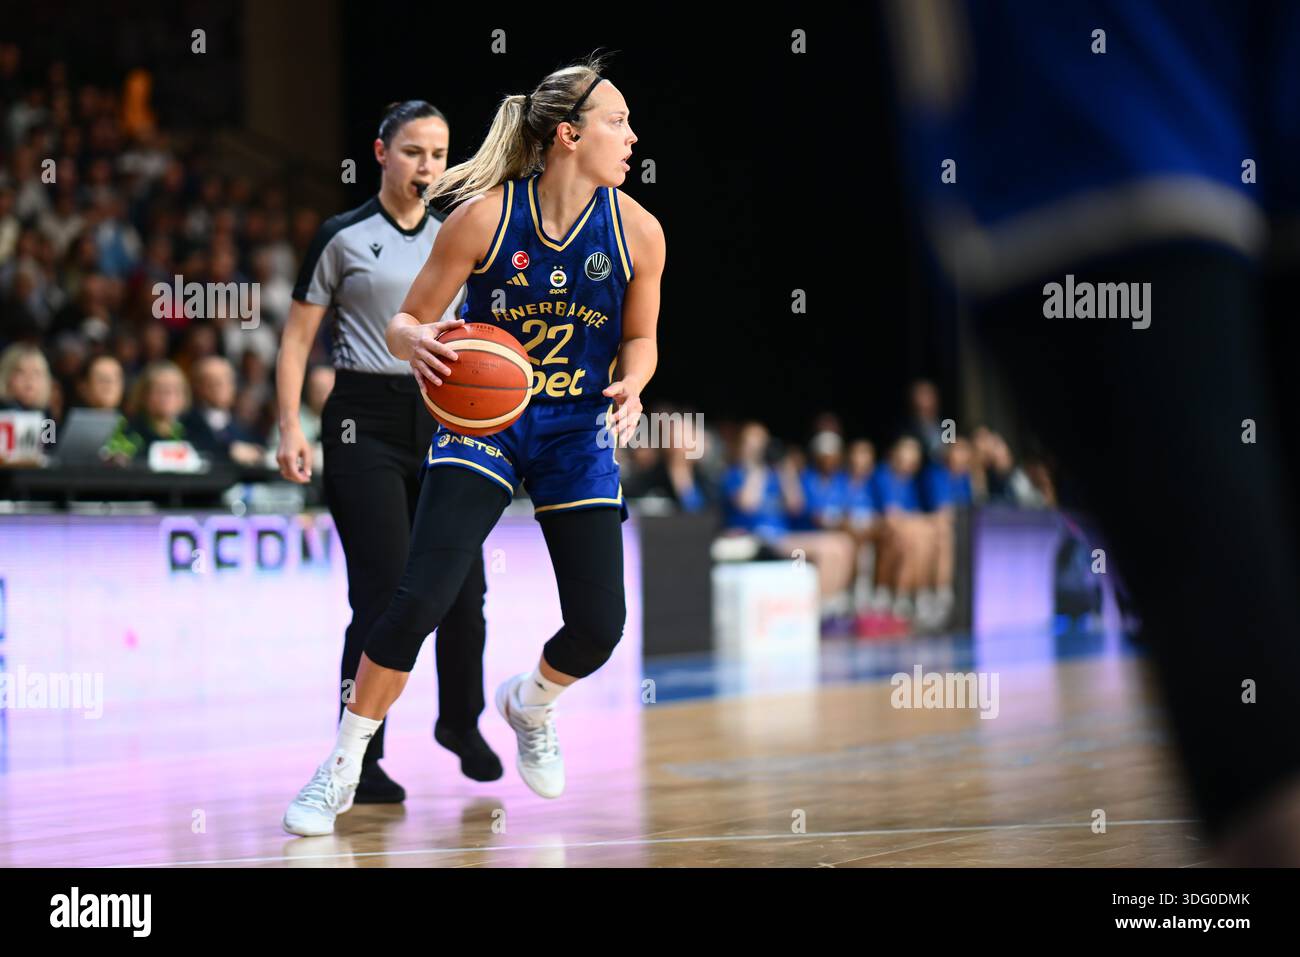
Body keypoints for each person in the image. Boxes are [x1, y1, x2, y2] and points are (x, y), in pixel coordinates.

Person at [283, 55, 665, 835]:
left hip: (575, 434)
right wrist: (416, 339)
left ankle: (530, 701)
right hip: (483, 426)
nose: (632, 136)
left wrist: (634, 382)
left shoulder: (640, 231)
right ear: (568, 135)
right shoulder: (486, 217)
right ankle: (346, 760)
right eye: (617, 121)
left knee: (599, 625)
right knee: (415, 597)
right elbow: (408, 317)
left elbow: (641, 336)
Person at [276, 100, 503, 806]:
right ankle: (362, 757)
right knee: (380, 594)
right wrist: (290, 425)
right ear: (381, 154)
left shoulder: (458, 236)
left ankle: (460, 722)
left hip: (443, 418)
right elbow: (295, 339)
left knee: (465, 592)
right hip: (362, 421)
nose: (427, 165)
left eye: (437, 153)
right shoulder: (341, 236)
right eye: (413, 151)